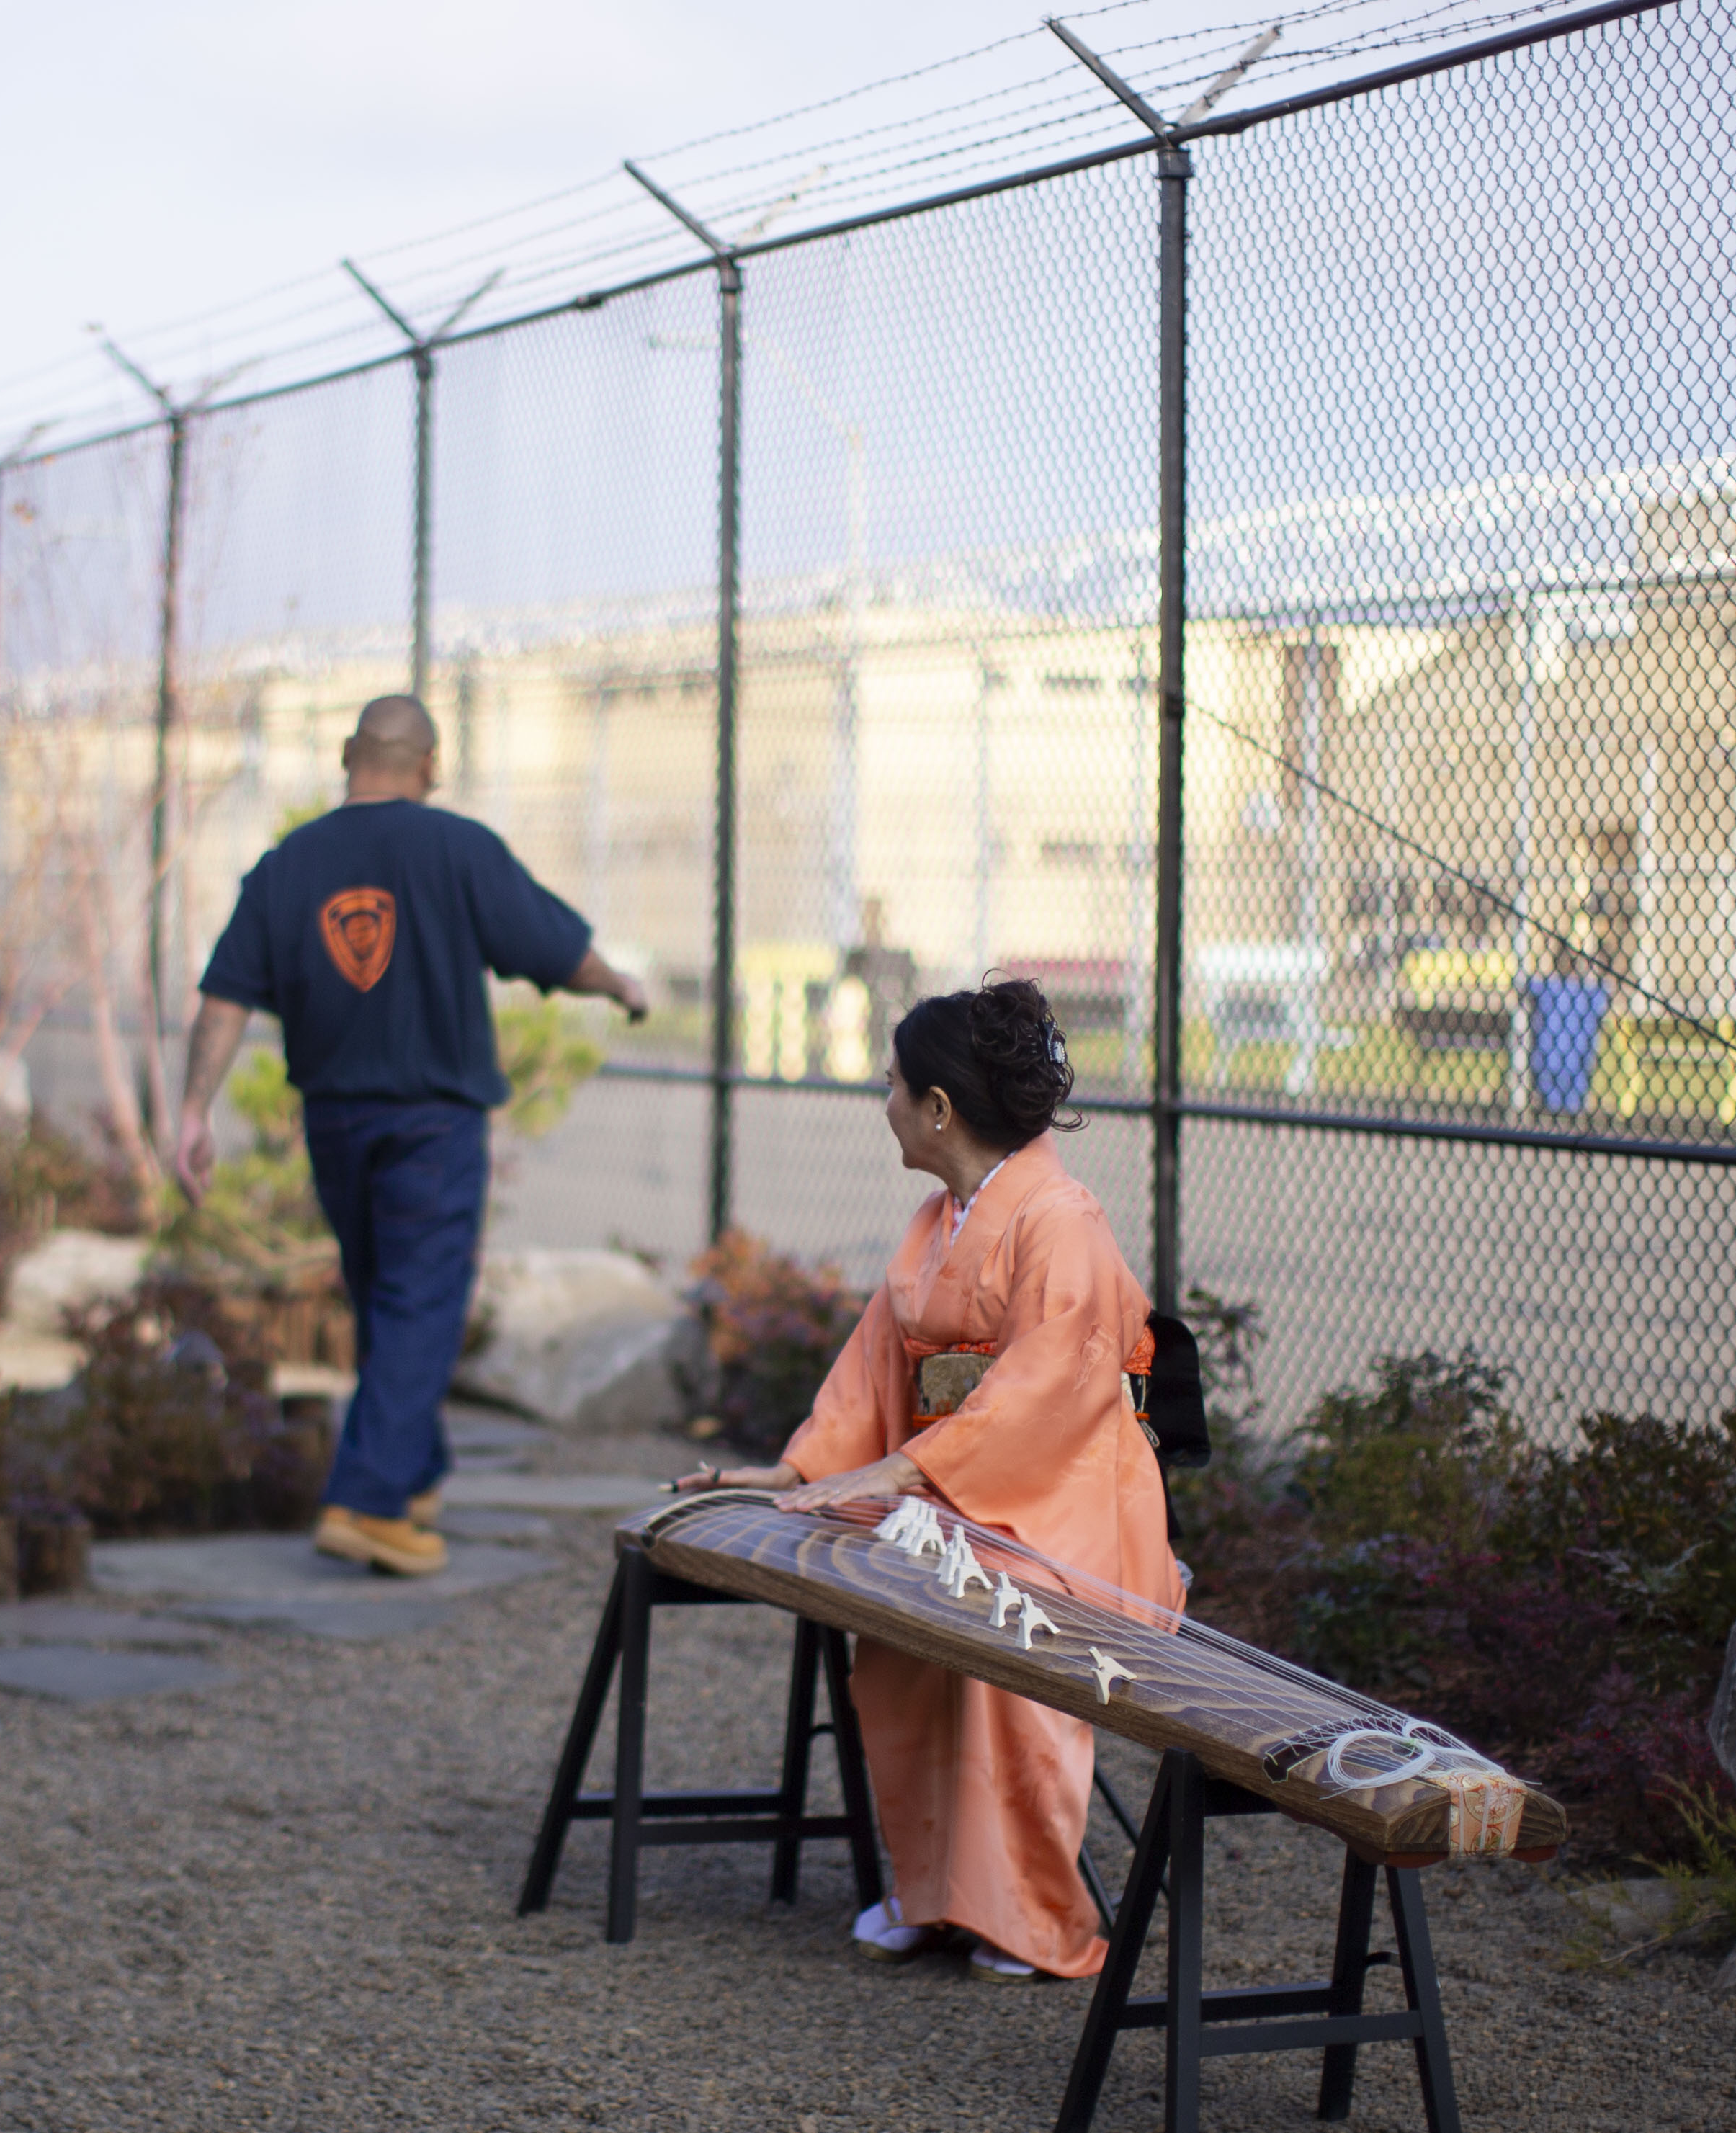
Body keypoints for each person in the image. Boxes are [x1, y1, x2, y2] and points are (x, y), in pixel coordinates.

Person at [668, 977, 1176, 1981]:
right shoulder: (938, 1216)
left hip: (1066, 1513)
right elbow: (874, 1366)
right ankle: (933, 1893)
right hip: (959, 1492)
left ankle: (1031, 1916)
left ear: (936, 1110)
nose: (885, 1102)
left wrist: (906, 1468)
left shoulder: (1060, 1217)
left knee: (1002, 1668)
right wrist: (795, 1468)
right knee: (899, 1657)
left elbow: (1052, 1386)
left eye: (893, 1085)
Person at [176, 695, 649, 1578]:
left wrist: (194, 1111)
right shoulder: (457, 849)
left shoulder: (287, 864)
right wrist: (621, 986)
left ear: (348, 756)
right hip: (432, 1121)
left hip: (334, 1121)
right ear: (429, 765)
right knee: (422, 1303)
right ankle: (369, 1503)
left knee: (386, 1301)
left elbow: (224, 995)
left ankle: (415, 1471)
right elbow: (554, 949)